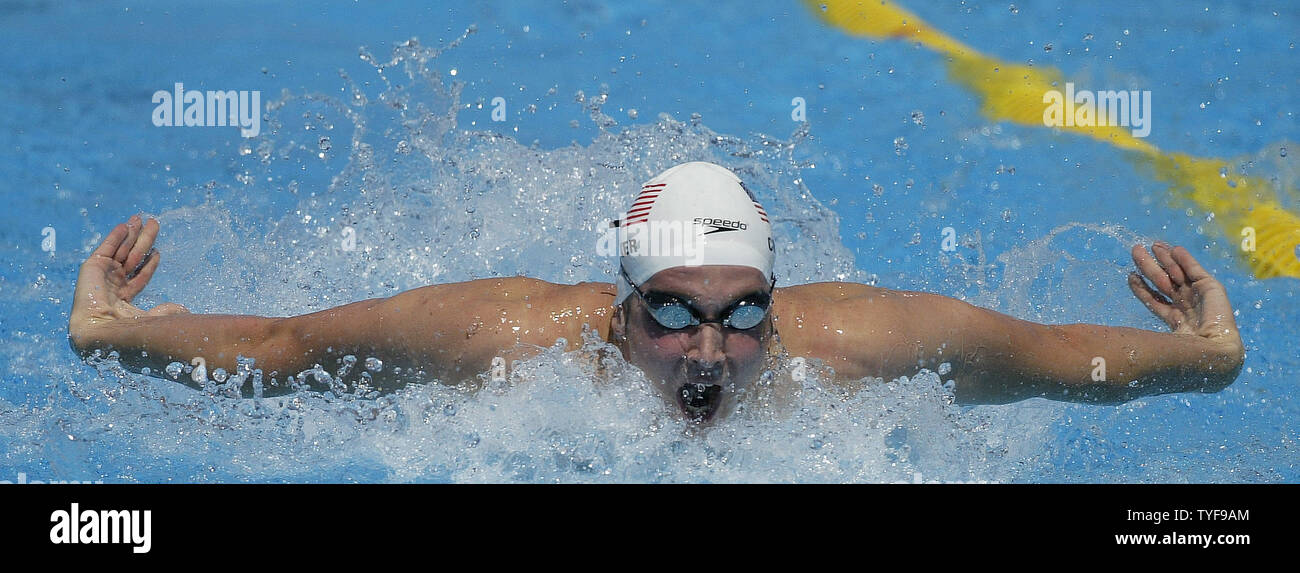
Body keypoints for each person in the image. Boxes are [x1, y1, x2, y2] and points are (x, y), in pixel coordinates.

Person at [68, 162, 1245, 424]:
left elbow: (1055, 359)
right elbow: (279, 348)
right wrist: (118, 337)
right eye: (675, 313)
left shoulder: (863, 344)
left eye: (743, 315)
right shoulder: (499, 338)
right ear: (621, 308)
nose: (709, 350)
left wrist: (1203, 356)